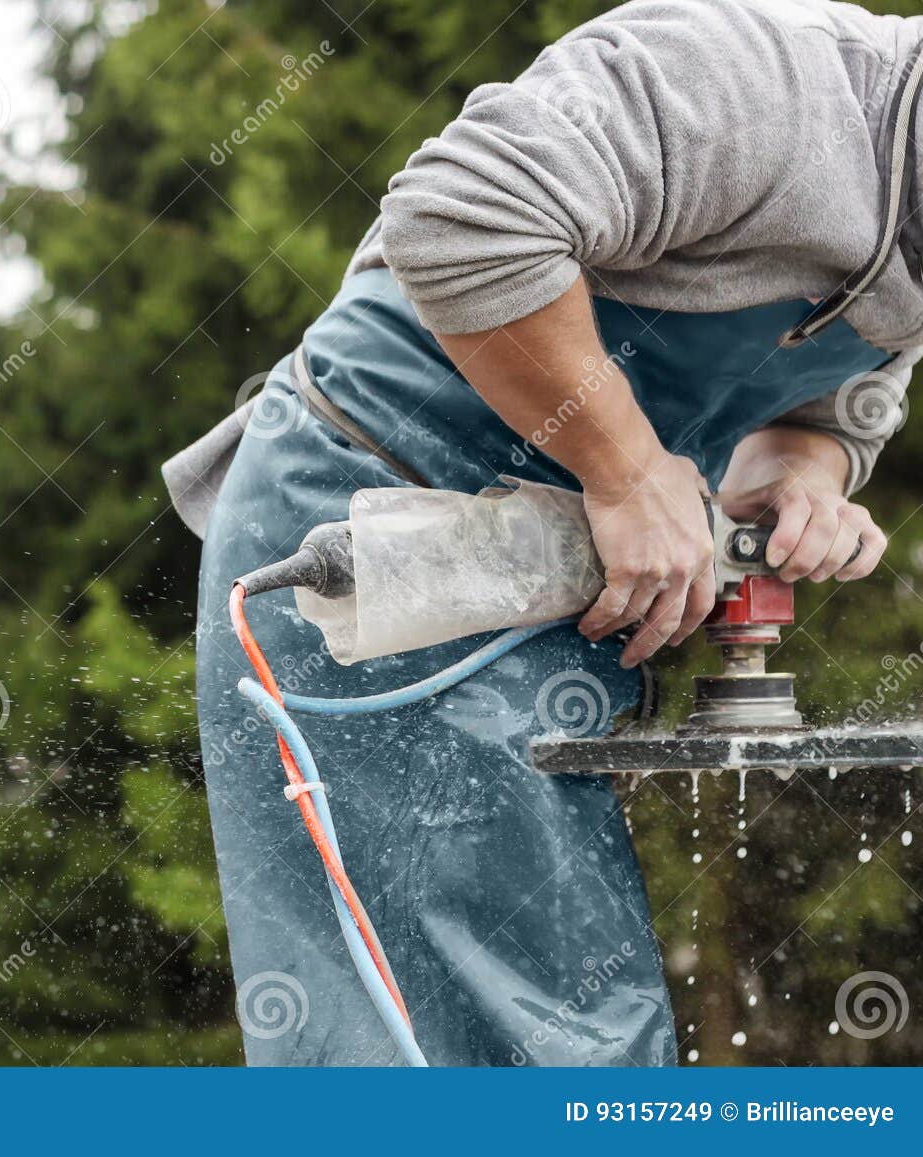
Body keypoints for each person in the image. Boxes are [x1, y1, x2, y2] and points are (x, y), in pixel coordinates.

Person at [166, 0, 914, 1065]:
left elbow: (832, 405)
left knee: (565, 1035)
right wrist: (624, 465)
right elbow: (457, 215)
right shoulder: (755, 83)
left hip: (556, 588)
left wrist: (803, 471)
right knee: (466, 1046)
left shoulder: (911, 230)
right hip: (383, 537)